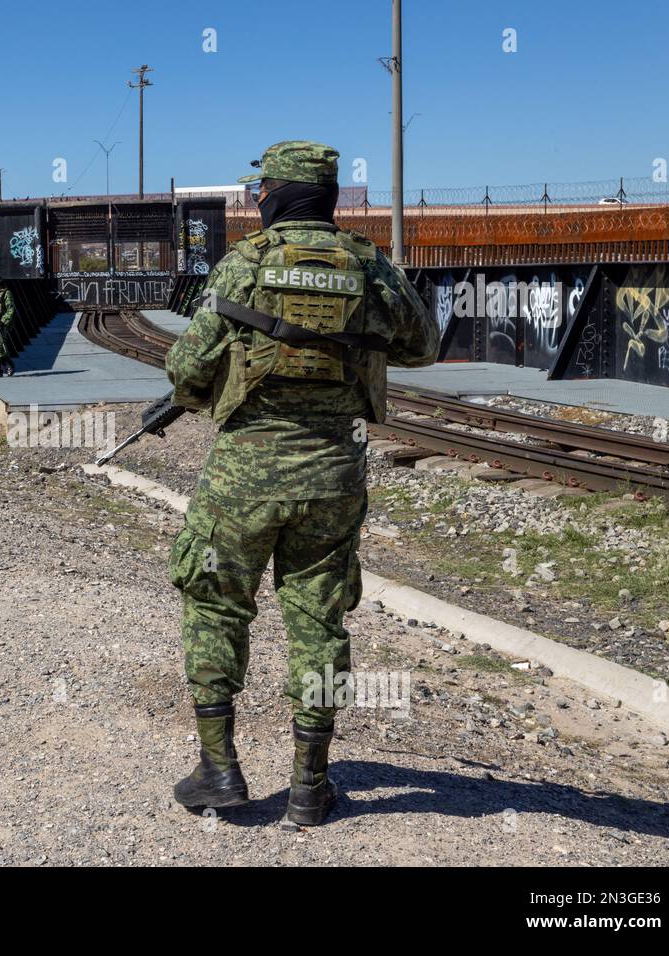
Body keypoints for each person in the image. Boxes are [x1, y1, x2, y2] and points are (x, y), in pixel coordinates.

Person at [165, 141, 439, 824]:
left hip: (244, 477)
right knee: (319, 619)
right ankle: (310, 788)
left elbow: (188, 369)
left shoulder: (246, 264)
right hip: (333, 474)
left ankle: (220, 770)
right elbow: (422, 346)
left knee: (217, 604)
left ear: (275, 195)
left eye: (260, 190)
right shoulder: (370, 263)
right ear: (330, 197)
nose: (257, 200)